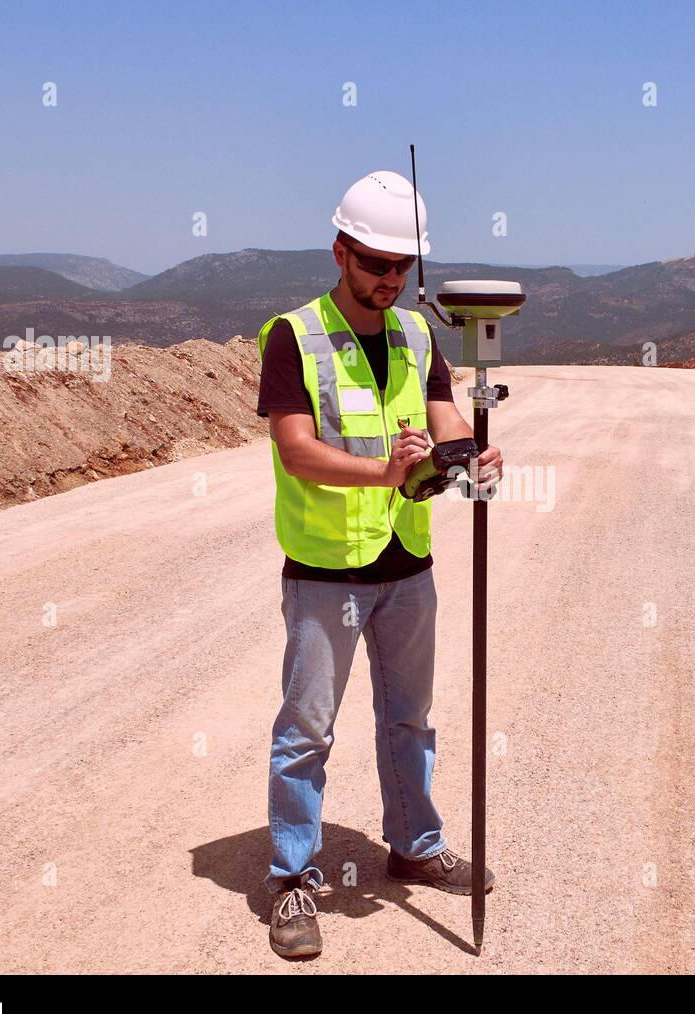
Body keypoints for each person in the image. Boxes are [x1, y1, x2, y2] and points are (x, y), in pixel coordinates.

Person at [256, 170, 501, 959]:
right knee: (306, 730)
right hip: (326, 570)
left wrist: (470, 454)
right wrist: (386, 474)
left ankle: (413, 842)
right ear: (340, 251)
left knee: (409, 718)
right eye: (374, 263)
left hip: (407, 563)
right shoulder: (293, 336)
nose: (389, 279)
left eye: (402, 265)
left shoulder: (420, 335)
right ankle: (293, 874)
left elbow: (442, 417)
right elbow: (296, 451)